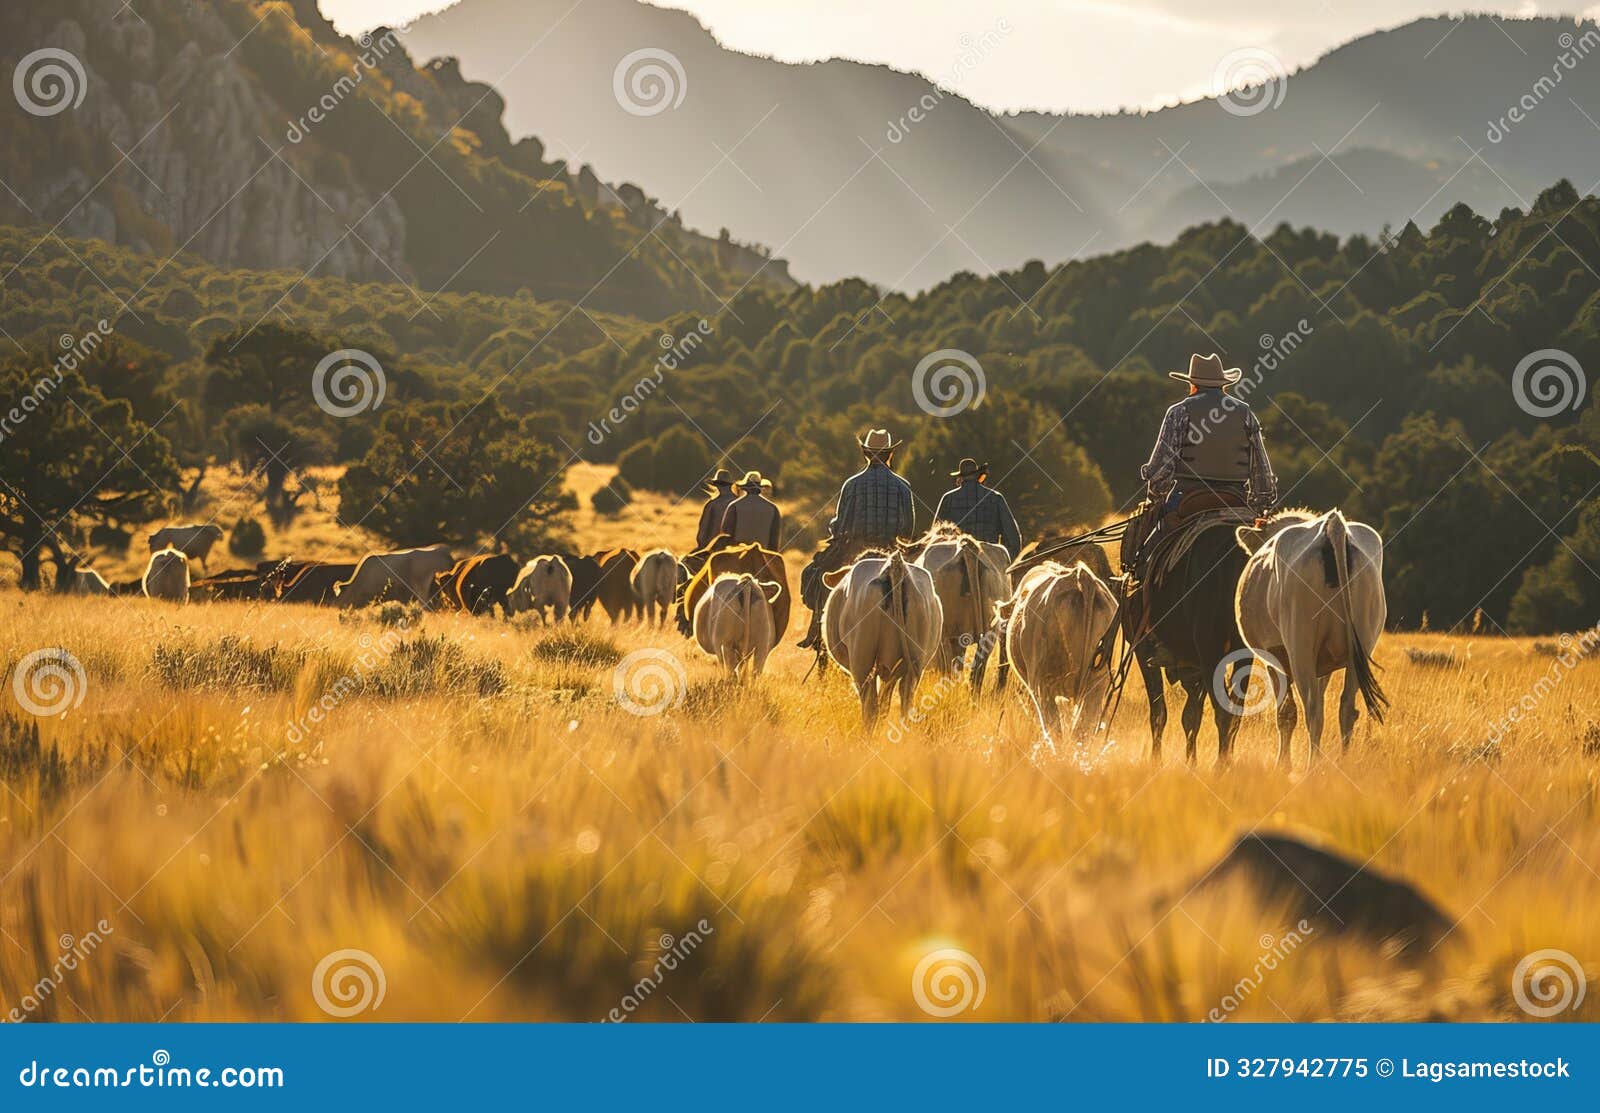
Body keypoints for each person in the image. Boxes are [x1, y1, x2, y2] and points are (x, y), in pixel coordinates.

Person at [1123, 352, 1278, 579]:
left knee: (1143, 561)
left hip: (1188, 497)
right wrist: (1259, 506)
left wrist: (1155, 500)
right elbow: (1262, 474)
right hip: (1236, 500)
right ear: (1224, 386)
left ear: (1192, 385)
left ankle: (1137, 596)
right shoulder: (1246, 413)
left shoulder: (1178, 412)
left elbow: (1160, 472)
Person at [797, 428, 915, 650]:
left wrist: (836, 532)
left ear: (866, 454)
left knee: (817, 575)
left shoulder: (852, 484)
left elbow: (840, 523)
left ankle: (818, 632)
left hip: (855, 549)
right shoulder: (903, 486)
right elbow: (909, 527)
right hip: (892, 550)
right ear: (890, 454)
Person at [933, 457, 1022, 558]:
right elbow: (1012, 537)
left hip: (956, 556)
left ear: (960, 477)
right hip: (989, 556)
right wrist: (1006, 559)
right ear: (977, 476)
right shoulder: (996, 498)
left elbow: (936, 536)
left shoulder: (948, 499)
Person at [719, 470, 781, 549]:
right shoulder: (773, 508)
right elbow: (774, 543)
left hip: (737, 553)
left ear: (745, 488)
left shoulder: (734, 506)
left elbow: (725, 536)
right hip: (762, 555)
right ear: (760, 488)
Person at [695, 468, 738, 549]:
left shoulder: (712, 504)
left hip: (713, 548)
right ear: (730, 485)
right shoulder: (739, 502)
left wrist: (701, 547)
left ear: (717, 485)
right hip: (734, 549)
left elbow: (702, 532)